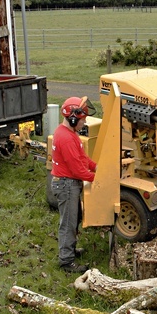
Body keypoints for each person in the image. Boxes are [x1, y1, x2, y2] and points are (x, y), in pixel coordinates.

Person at [51, 96, 97, 273]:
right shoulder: (67, 138)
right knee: (68, 223)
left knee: (73, 219)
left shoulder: (69, 134)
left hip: (69, 183)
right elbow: (78, 171)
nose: (84, 123)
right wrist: (98, 178)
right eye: (82, 119)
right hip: (67, 185)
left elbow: (82, 158)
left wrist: (96, 167)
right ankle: (66, 261)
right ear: (72, 117)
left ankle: (69, 249)